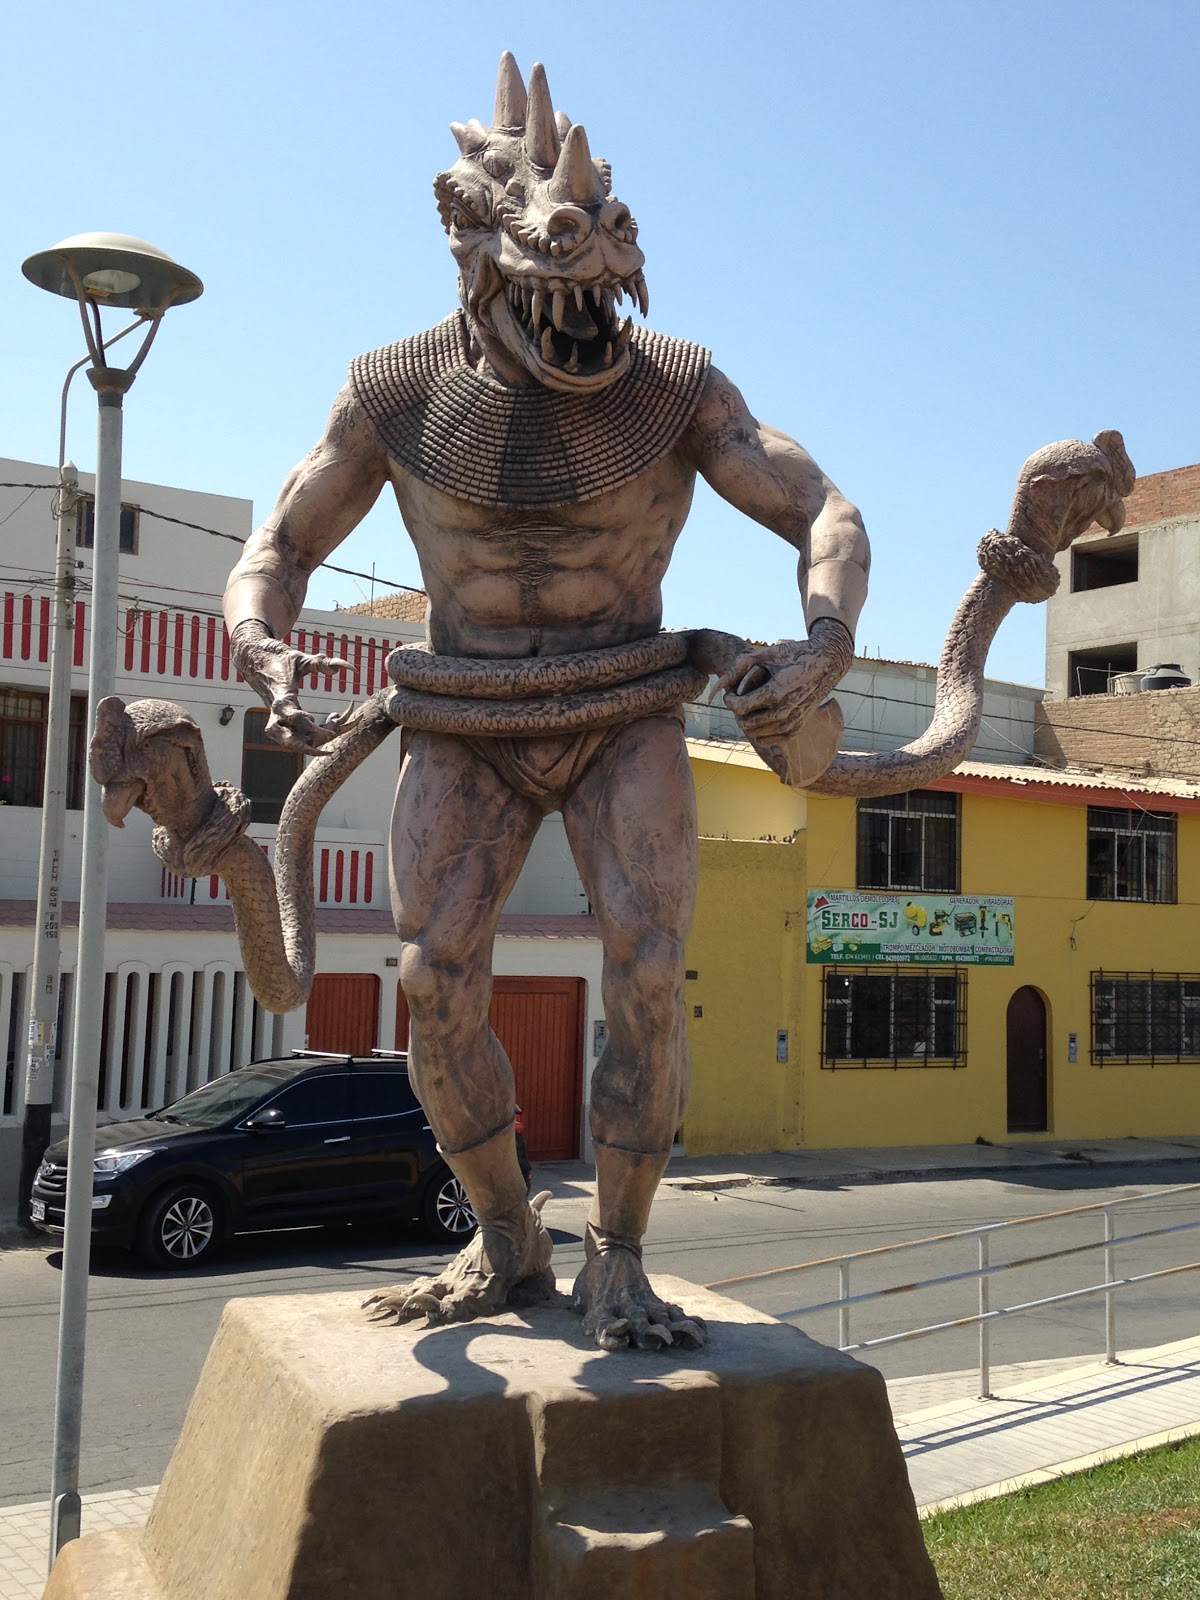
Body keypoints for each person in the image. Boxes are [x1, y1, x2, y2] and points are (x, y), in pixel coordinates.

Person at [222, 55, 869, 1350]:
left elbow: (820, 507)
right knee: (434, 979)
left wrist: (826, 639)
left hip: (625, 706)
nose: (594, 285)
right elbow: (281, 544)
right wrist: (259, 639)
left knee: (648, 973)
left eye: (608, 238)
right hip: (463, 717)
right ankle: (508, 1233)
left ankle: (617, 1252)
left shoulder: (676, 384)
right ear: (470, 246)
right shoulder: (392, 387)